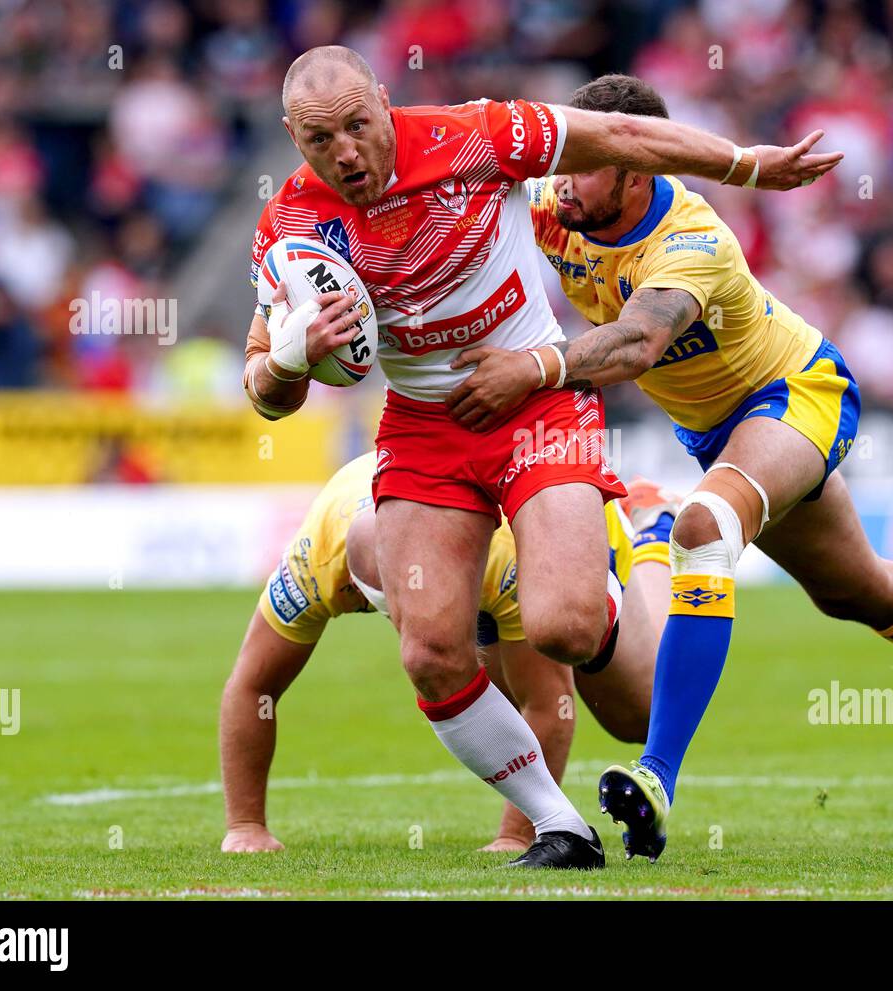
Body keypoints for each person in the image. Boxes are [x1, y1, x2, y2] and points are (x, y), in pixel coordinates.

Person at [242, 48, 841, 868]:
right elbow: (265, 389)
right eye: (320, 139)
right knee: (429, 653)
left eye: (358, 124)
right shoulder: (291, 230)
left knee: (565, 627)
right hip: (423, 428)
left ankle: (649, 542)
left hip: (535, 404)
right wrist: (290, 357)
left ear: (385, 102)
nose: (346, 151)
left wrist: (747, 165)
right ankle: (561, 825)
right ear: (292, 138)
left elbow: (621, 131)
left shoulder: (477, 135)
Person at [445, 75, 893, 863]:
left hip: (796, 394)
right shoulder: (555, 206)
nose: (563, 179)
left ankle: (657, 778)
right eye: (566, 159)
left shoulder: (689, 241)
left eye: (587, 162)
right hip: (718, 433)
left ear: (638, 170)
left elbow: (635, 346)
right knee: (856, 591)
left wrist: (530, 368)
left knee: (703, 528)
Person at [220, 454, 678, 855]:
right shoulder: (314, 562)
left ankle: (653, 532)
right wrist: (246, 826)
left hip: (545, 542)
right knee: (469, 687)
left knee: (636, 716)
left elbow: (548, 703)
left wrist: (516, 834)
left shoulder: (501, 555)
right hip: (452, 562)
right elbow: (252, 685)